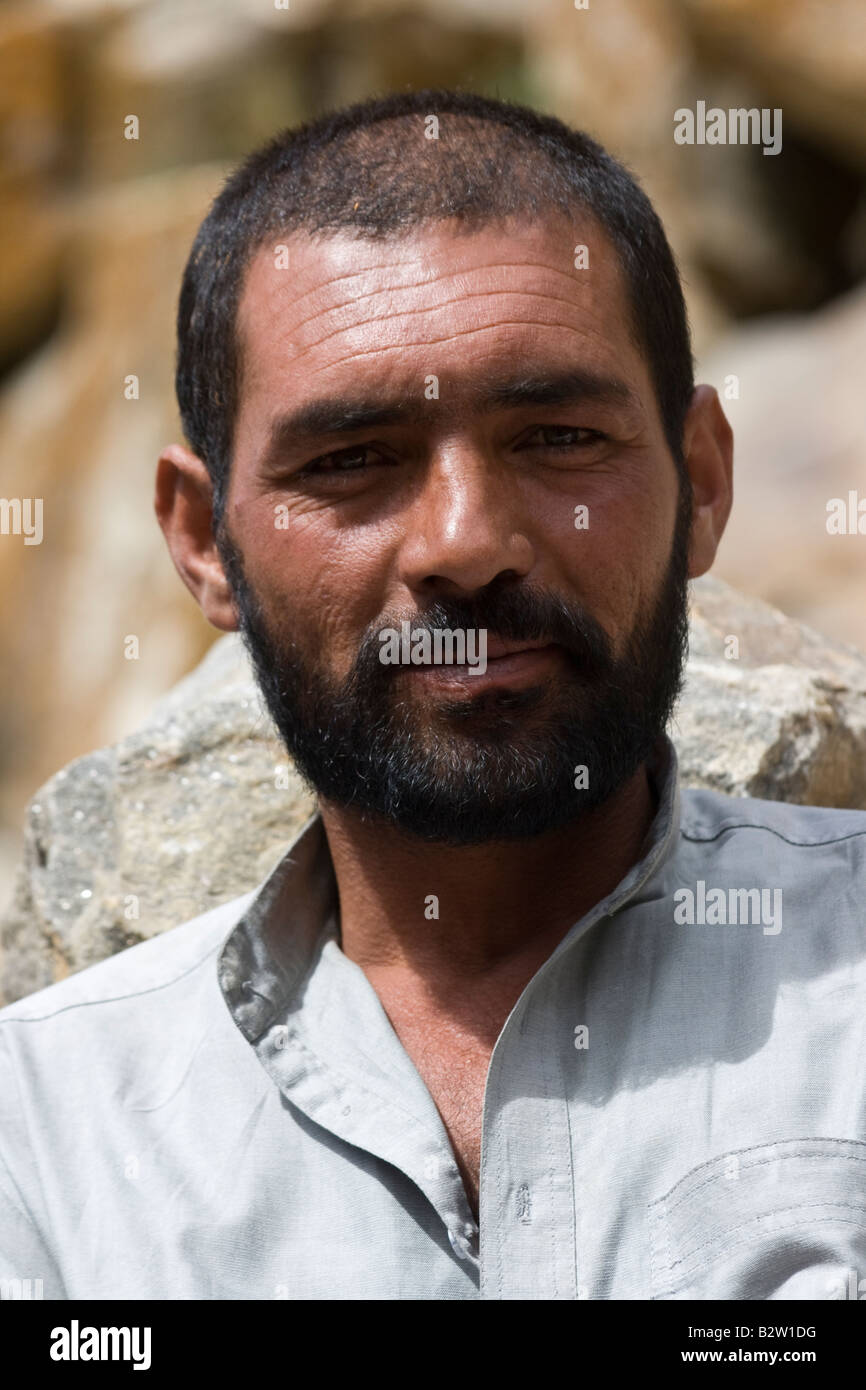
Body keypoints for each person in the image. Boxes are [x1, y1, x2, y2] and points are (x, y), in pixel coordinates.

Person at [2, 89, 865, 1302]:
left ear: (701, 482)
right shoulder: (46, 1132)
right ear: (203, 544)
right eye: (350, 462)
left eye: (557, 436)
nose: (466, 543)